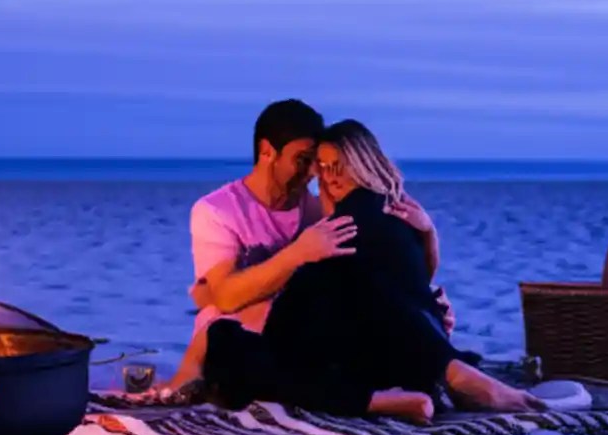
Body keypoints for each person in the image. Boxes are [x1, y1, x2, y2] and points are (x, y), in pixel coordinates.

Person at [201, 119, 546, 422]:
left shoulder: (350, 222)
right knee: (347, 291)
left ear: (364, 163)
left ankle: (377, 401)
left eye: (340, 165)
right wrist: (429, 238)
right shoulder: (392, 215)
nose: (331, 175)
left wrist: (299, 257)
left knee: (223, 341)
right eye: (323, 166)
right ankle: (446, 371)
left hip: (340, 358)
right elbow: (411, 283)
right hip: (391, 355)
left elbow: (288, 319)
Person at [166, 100, 445, 391]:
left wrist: (426, 239)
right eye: (302, 159)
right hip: (241, 340)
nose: (312, 172)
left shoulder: (318, 209)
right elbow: (223, 298)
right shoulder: (217, 211)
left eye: (315, 162)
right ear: (266, 152)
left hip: (309, 333)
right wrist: (296, 255)